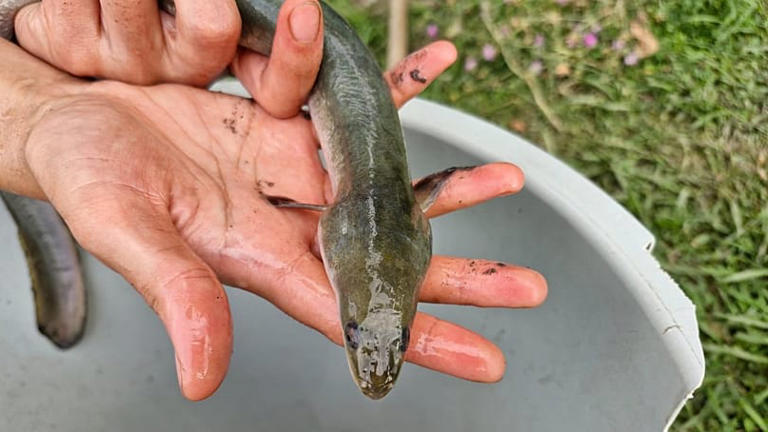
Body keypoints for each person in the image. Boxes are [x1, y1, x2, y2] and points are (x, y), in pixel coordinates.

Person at [0, 0, 547, 401]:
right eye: (359, 333)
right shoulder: (353, 222)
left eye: (382, 336)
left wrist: (37, 100)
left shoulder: (382, 226)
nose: (373, 358)